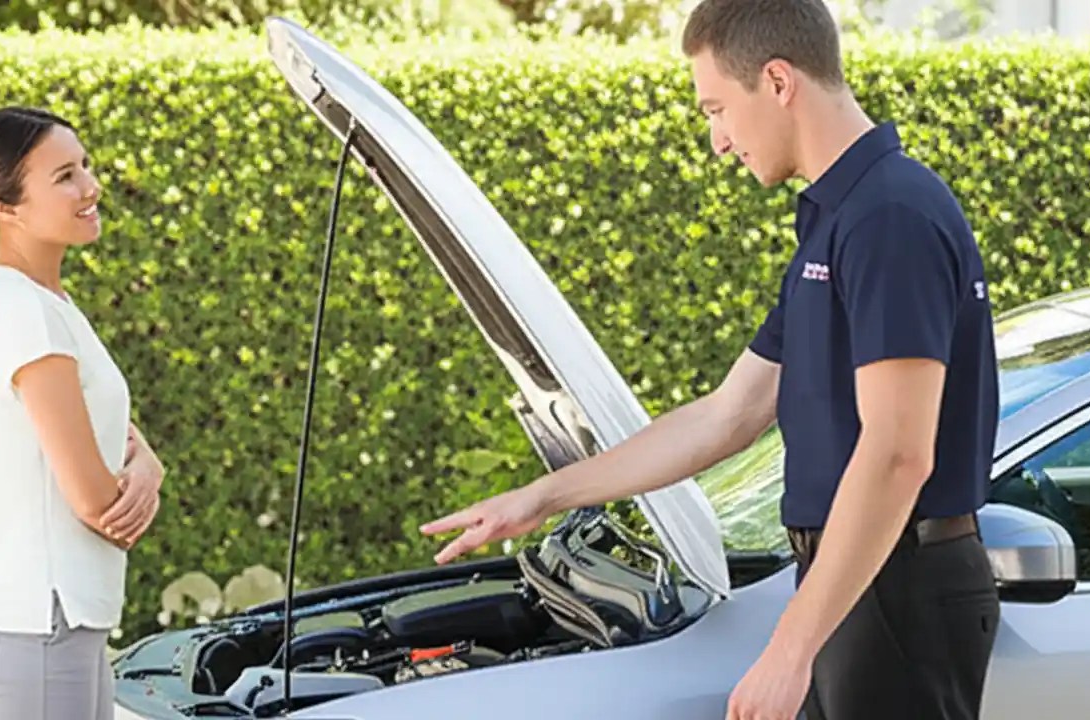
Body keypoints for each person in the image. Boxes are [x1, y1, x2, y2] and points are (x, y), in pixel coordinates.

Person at [420, 1, 1001, 718]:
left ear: (779, 81)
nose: (719, 142)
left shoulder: (891, 219)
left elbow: (897, 454)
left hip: (899, 591)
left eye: (718, 108)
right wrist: (543, 497)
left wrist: (790, 649)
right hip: (861, 583)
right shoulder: (840, 221)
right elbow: (730, 415)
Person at [0, 106, 165, 720]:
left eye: (84, 166)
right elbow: (94, 499)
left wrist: (148, 466)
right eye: (63, 176)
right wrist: (137, 478)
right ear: (5, 209)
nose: (90, 186)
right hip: (35, 628)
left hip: (61, 625)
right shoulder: (22, 310)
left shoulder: (47, 304)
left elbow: (113, 434)